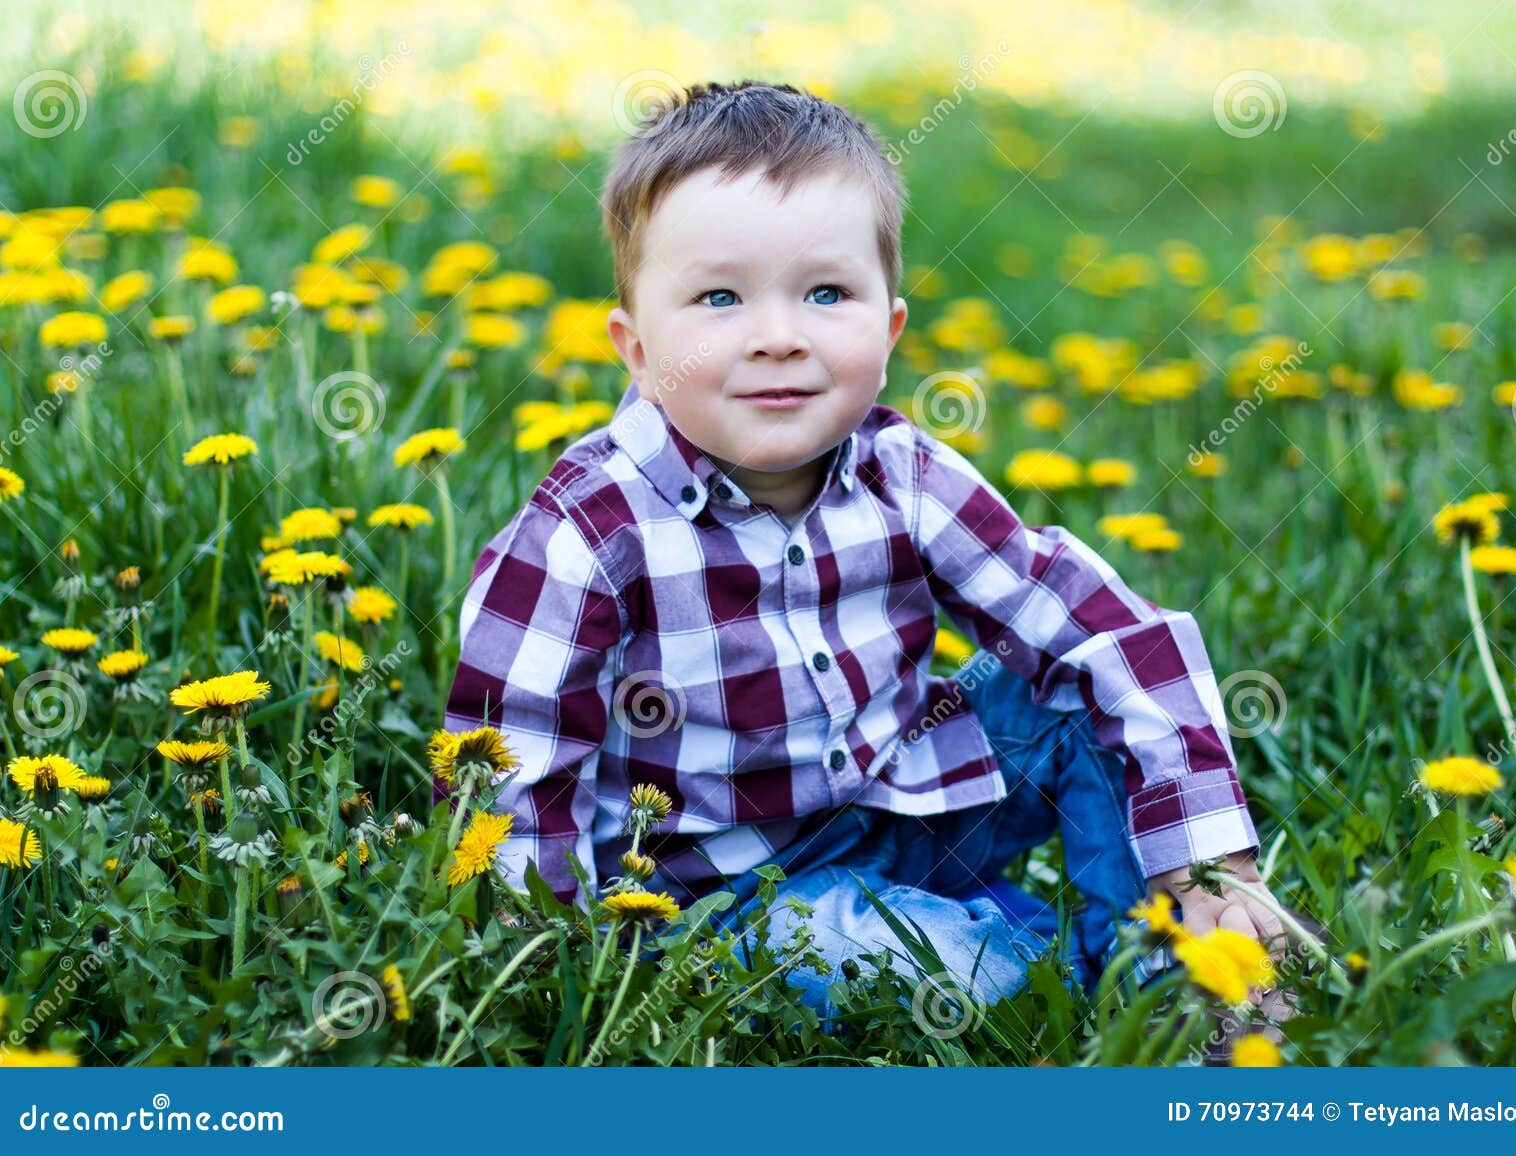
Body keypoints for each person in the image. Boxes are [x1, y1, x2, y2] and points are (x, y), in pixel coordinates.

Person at [441, 79, 1296, 1022]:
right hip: (720, 895)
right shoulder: (588, 530)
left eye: (826, 293)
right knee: (925, 974)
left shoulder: (906, 474)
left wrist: (1213, 860)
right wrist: (558, 964)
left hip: (908, 805)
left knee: (1091, 691)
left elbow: (1103, 630)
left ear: (888, 329)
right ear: (636, 348)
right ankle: (1043, 967)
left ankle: (1175, 968)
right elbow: (509, 768)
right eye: (719, 297)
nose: (778, 338)